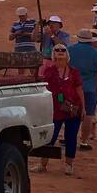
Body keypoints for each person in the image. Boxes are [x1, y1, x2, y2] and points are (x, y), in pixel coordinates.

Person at [37, 43, 85, 175]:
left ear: (67, 54)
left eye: (62, 50)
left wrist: (84, 108)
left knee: (71, 137)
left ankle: (69, 166)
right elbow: (43, 87)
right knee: (50, 137)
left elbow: (79, 89)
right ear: (53, 54)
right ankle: (43, 164)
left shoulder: (74, 71)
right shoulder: (49, 71)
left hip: (72, 109)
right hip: (55, 109)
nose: (60, 51)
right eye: (56, 50)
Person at [68, 29, 97, 150]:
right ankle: (83, 141)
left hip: (71, 87)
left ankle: (69, 137)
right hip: (89, 87)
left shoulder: (70, 50)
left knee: (70, 112)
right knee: (88, 114)